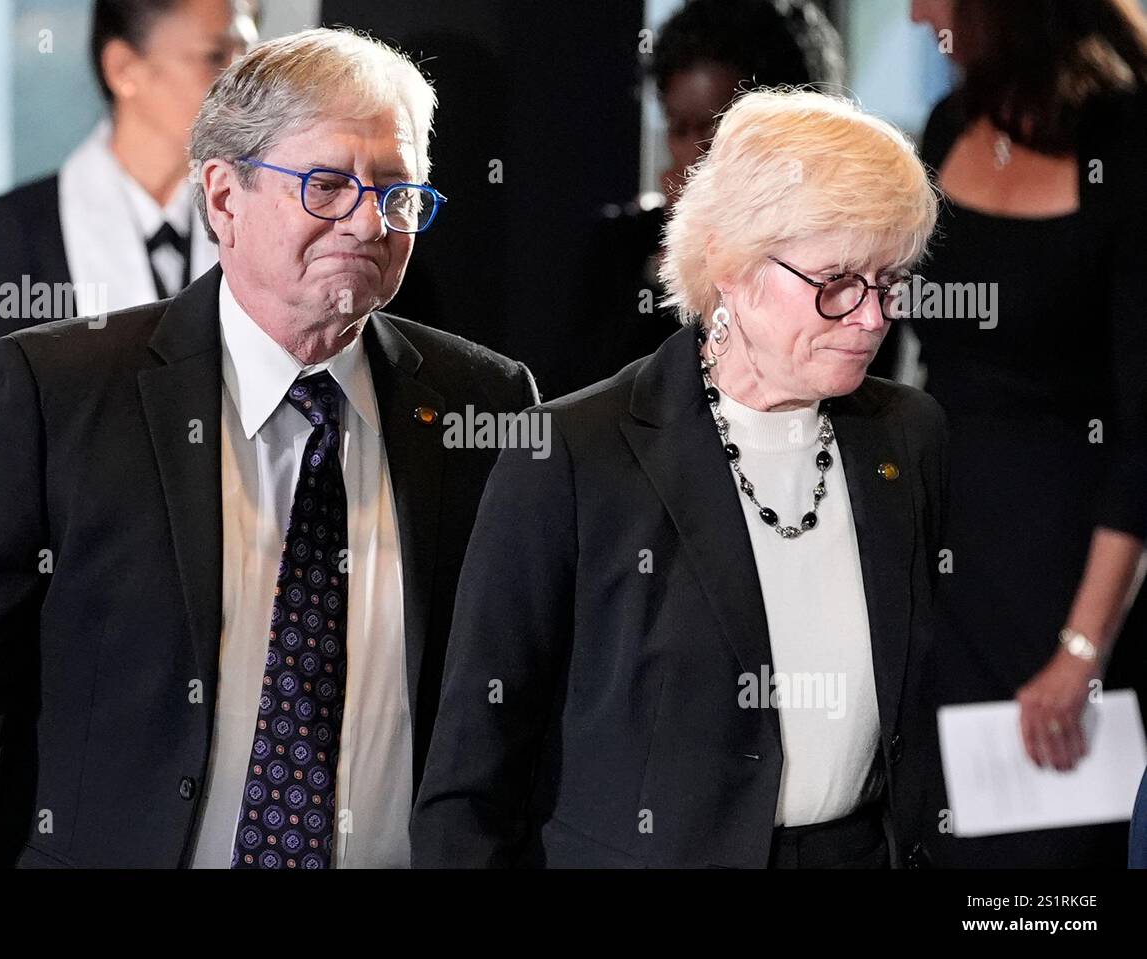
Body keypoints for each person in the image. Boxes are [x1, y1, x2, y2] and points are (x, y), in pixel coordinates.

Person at [0, 28, 537, 869]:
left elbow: (515, 706)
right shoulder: (60, 391)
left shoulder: (484, 404)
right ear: (223, 196)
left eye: (396, 194)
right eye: (326, 184)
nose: (366, 220)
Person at [411, 89, 944, 868]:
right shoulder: (571, 453)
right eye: (836, 282)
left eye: (888, 281)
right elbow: (472, 774)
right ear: (730, 263)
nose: (869, 317)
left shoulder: (908, 436)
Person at [908, 0, 1147, 868]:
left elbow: (1141, 433)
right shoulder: (947, 122)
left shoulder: (1127, 141)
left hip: (1072, 579)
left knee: (1046, 874)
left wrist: (1082, 647)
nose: (911, 13)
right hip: (938, 561)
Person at [0, 0, 259, 480]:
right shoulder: (24, 229)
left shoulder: (265, 216)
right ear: (123, 68)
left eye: (249, 57)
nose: (243, 85)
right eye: (216, 56)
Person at [565, 0, 845, 396]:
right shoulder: (624, 248)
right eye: (680, 130)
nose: (697, 160)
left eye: (716, 135)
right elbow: (592, 395)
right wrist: (677, 257)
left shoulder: (843, 262)